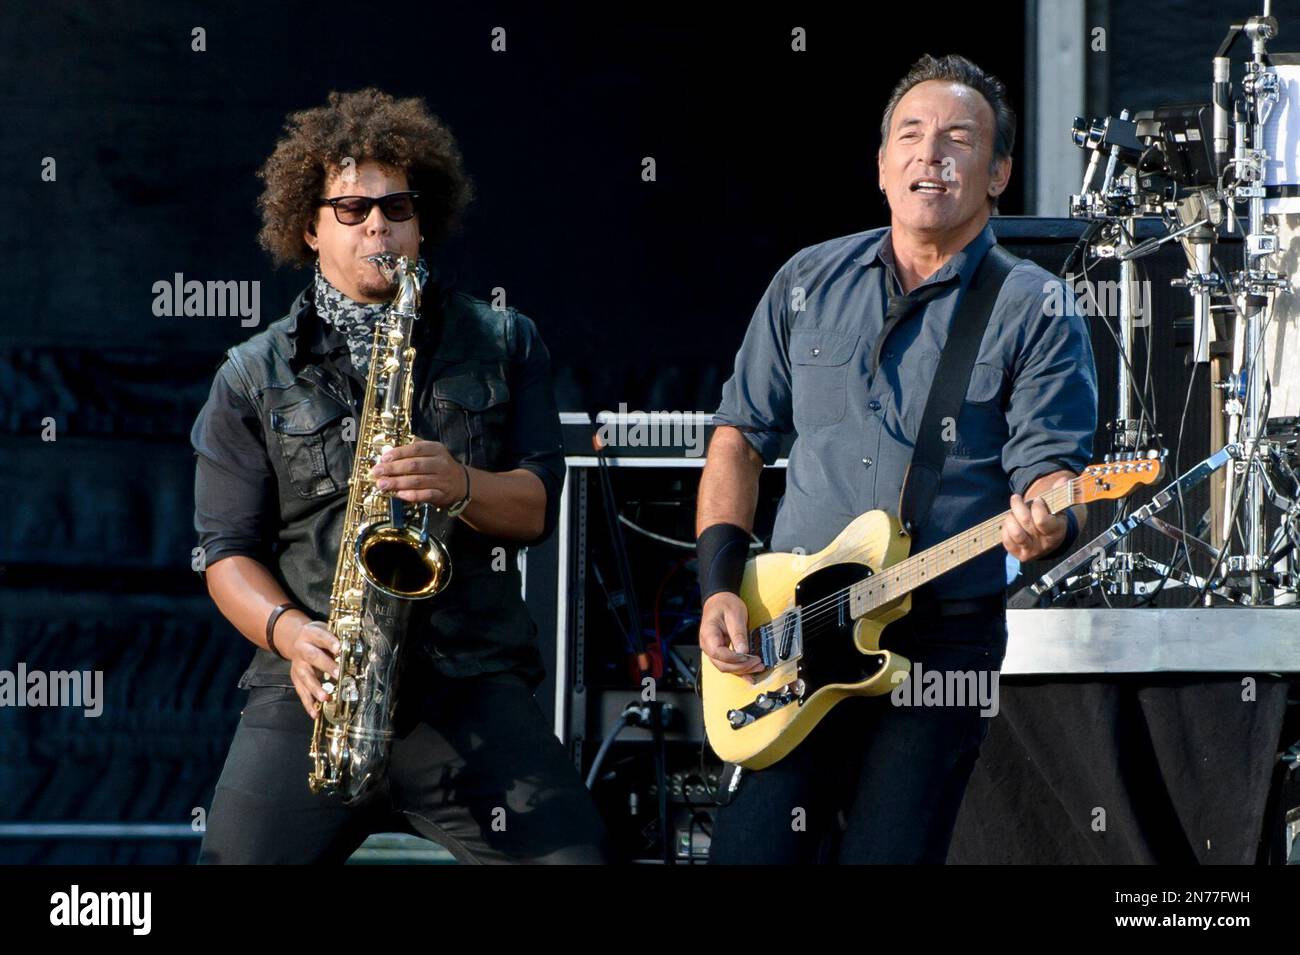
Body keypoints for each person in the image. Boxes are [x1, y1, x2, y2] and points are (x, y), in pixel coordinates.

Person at [696, 54, 1098, 863]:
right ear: (881, 165)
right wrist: (717, 587)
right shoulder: (806, 279)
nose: (930, 154)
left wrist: (1051, 519)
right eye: (909, 136)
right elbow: (738, 436)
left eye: (958, 138)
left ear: (999, 174)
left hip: (940, 641)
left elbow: (1056, 471)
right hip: (792, 627)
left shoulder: (1038, 307)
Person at [191, 88, 607, 864]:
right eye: (349, 208)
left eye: (397, 206)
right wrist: (292, 634)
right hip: (319, 684)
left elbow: (538, 507)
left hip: (470, 683)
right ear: (308, 227)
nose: (377, 223)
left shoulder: (503, 339)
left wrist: (464, 484)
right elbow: (225, 550)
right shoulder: (251, 374)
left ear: (424, 222)